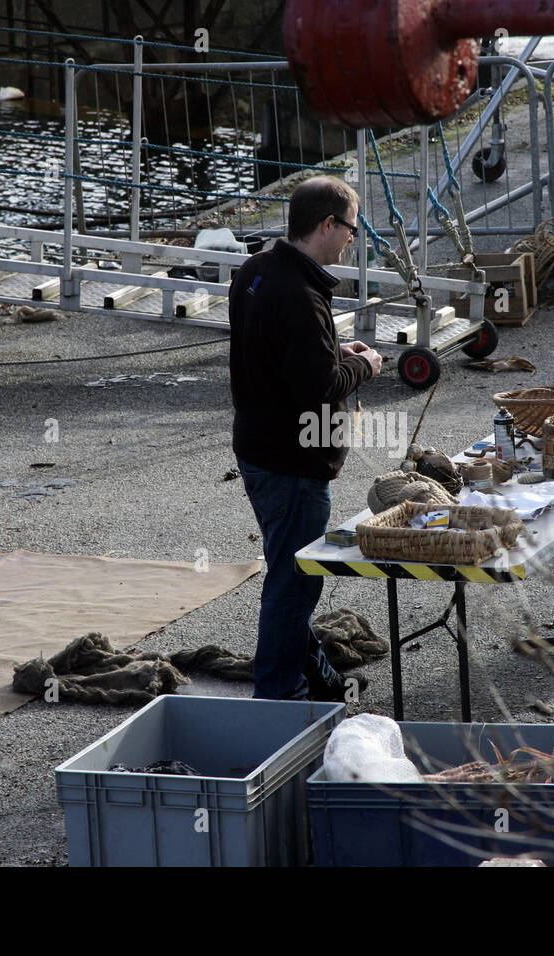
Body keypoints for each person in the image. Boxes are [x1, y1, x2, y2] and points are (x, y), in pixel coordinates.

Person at [229, 176, 384, 700]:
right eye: (351, 229)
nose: (353, 239)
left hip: (258, 449)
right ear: (327, 224)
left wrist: (336, 351)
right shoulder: (300, 295)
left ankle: (320, 678)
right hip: (292, 464)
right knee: (293, 585)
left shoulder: (255, 272)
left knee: (288, 572)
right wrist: (364, 365)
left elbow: (280, 356)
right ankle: (277, 696)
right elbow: (319, 388)